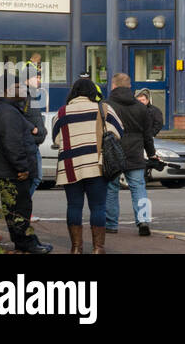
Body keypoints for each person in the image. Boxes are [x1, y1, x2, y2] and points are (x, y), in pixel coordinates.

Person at [52, 76, 122, 254]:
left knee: (73, 206)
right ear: (92, 92)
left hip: (70, 166)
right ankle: (98, 248)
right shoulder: (104, 109)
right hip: (96, 165)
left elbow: (56, 139)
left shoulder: (61, 113)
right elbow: (119, 132)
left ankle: (76, 248)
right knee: (98, 207)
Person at [0, 72, 50, 254]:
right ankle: (27, 245)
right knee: (19, 211)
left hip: (9, 171)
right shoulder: (7, 113)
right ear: (6, 90)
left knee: (19, 210)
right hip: (13, 173)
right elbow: (12, 143)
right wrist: (22, 168)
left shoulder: (8, 110)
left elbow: (29, 131)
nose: (23, 89)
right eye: (18, 87)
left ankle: (28, 242)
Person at [105, 73, 157, 236]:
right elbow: (147, 135)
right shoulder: (141, 107)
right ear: (130, 87)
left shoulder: (105, 106)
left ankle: (111, 224)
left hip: (112, 152)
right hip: (135, 152)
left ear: (113, 86)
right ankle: (143, 221)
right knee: (138, 187)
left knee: (111, 188)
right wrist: (152, 153)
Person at [21, 66, 47, 198]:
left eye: (39, 77)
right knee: (35, 178)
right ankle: (22, 208)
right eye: (36, 77)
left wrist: (42, 129)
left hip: (34, 144)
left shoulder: (32, 95)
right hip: (29, 145)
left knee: (35, 178)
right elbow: (18, 116)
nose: (39, 80)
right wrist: (33, 128)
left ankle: (24, 209)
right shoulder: (23, 95)